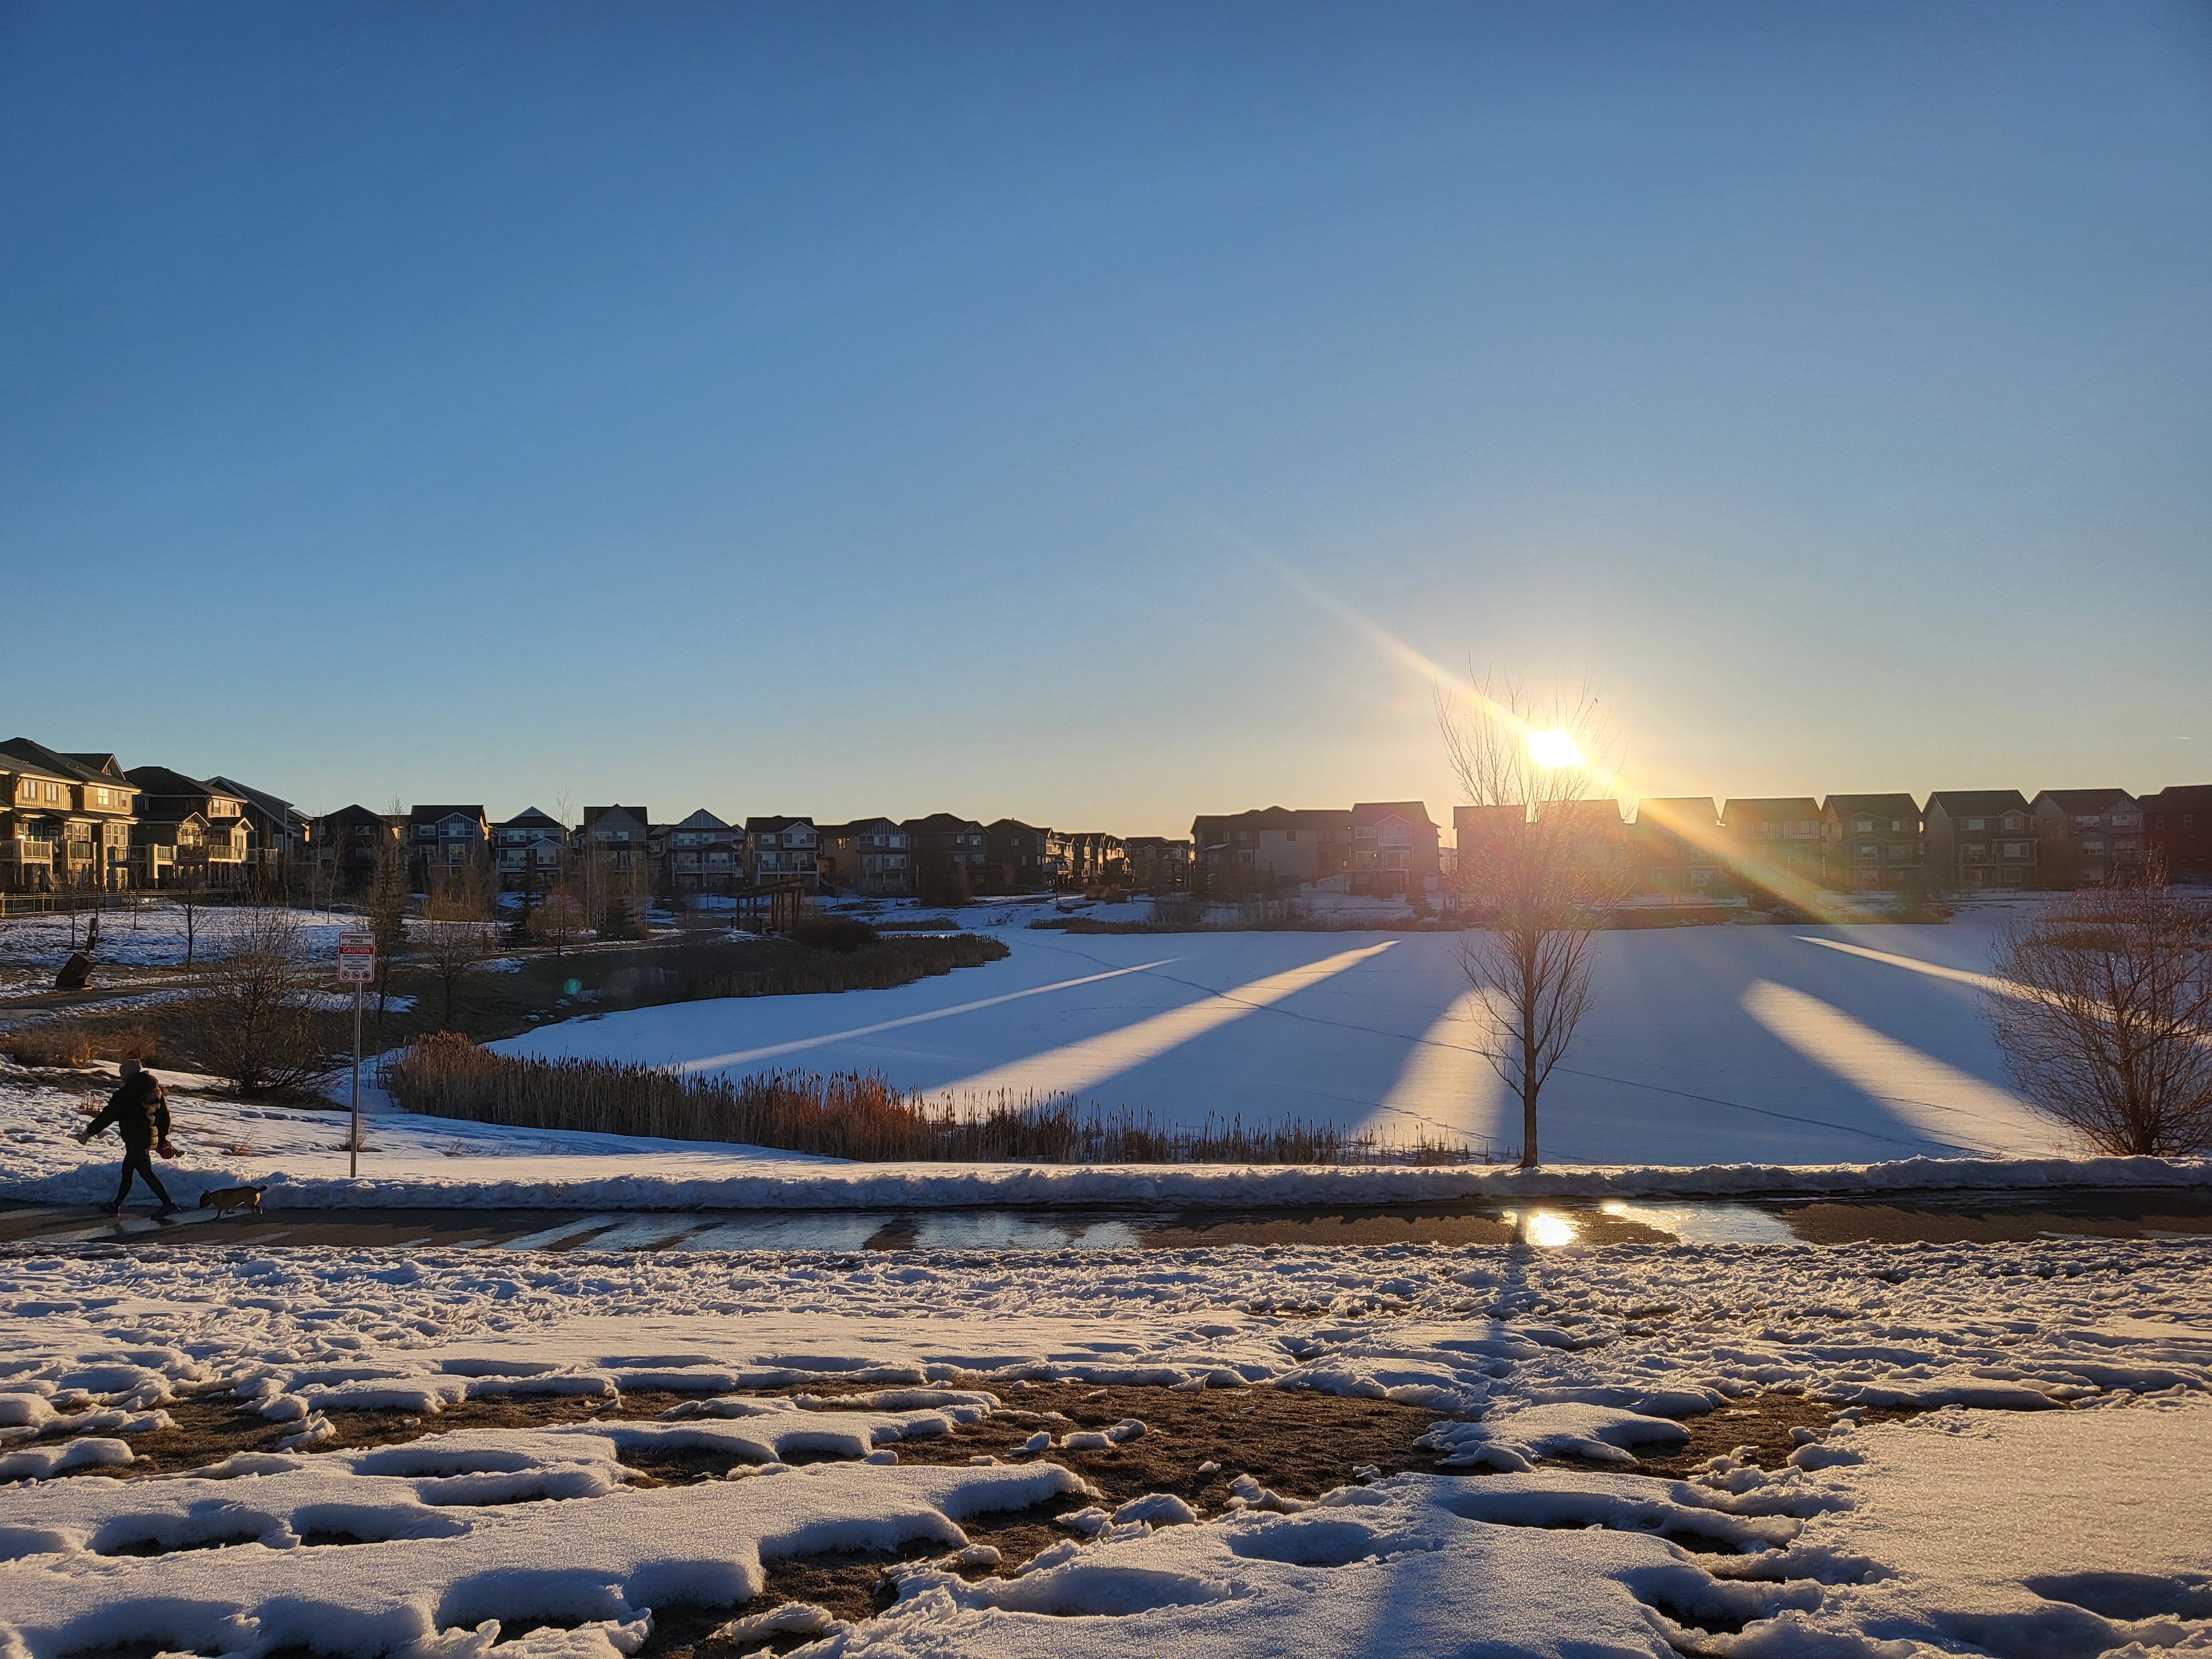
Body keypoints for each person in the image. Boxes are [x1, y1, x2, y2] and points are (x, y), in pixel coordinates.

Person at [81, 1057, 178, 1216]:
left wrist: (89, 1132)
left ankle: (168, 1204)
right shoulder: (155, 1090)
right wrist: (162, 1137)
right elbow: (164, 1115)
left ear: (126, 1076)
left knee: (145, 1172)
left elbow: (108, 1116)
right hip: (146, 1137)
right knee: (129, 1170)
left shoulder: (126, 1094)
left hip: (135, 1138)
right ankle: (116, 1205)